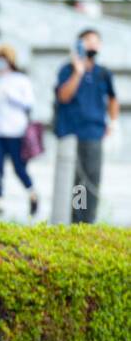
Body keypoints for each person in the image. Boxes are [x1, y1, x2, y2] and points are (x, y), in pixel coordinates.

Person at [55, 28, 118, 223]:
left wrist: (113, 123)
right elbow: (63, 97)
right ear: (79, 44)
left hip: (94, 134)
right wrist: (78, 72)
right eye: (88, 40)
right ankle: (77, 222)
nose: (92, 45)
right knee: (78, 184)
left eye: (95, 41)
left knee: (92, 181)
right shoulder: (67, 70)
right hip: (73, 135)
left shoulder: (103, 73)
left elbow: (113, 99)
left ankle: (88, 223)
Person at [0, 44, 38, 217]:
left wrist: (11, 94)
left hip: (15, 131)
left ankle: (32, 194)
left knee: (18, 167)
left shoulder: (21, 80)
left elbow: (29, 103)